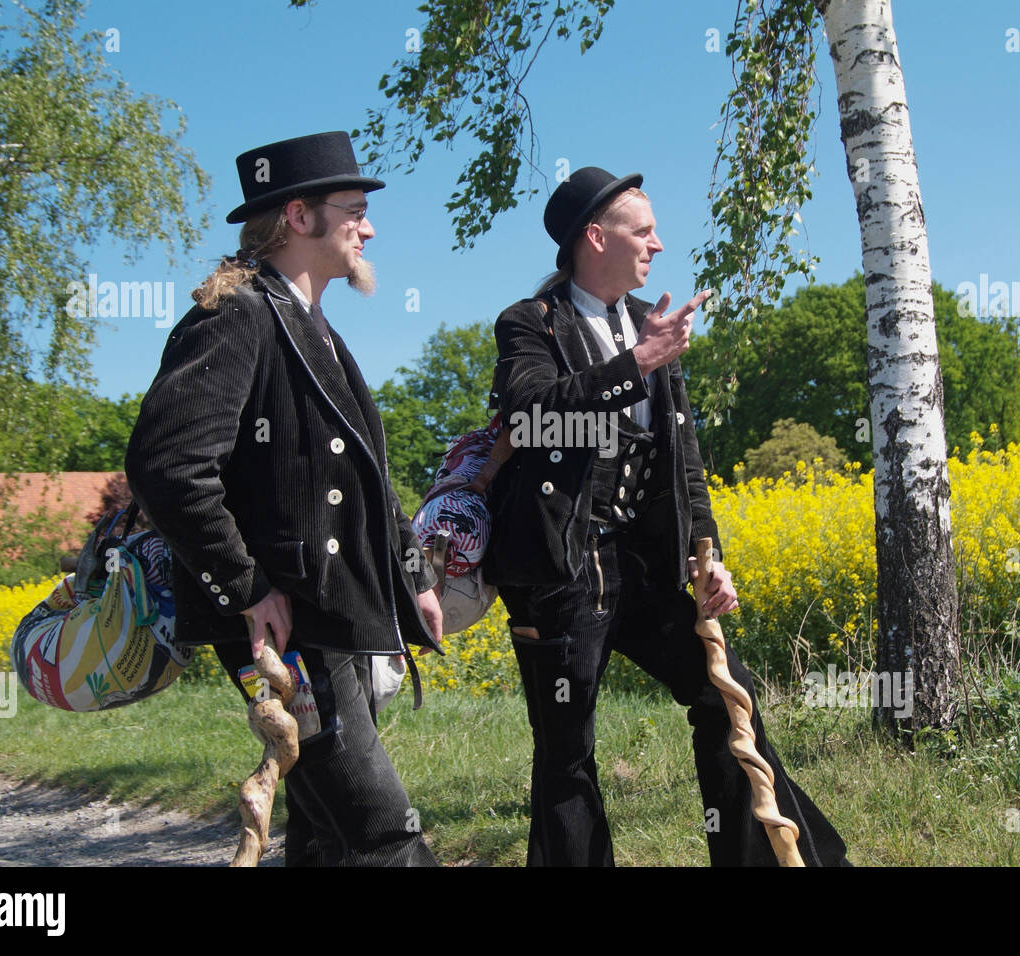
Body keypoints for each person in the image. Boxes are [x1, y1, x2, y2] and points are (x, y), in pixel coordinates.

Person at [483, 166, 850, 866]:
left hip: (644, 569)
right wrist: (637, 361)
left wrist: (708, 556)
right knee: (565, 751)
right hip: (562, 571)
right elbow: (530, 417)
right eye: (642, 230)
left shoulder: (649, 319)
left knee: (725, 697)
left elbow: (683, 458)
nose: (657, 243)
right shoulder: (531, 323)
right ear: (596, 237)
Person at [125, 131, 443, 866]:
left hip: (331, 619)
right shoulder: (237, 314)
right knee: (385, 837)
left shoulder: (317, 330)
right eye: (354, 209)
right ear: (299, 217)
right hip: (286, 632)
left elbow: (368, 483)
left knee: (328, 836)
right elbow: (166, 466)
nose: (369, 227)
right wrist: (245, 585)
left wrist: (414, 577)